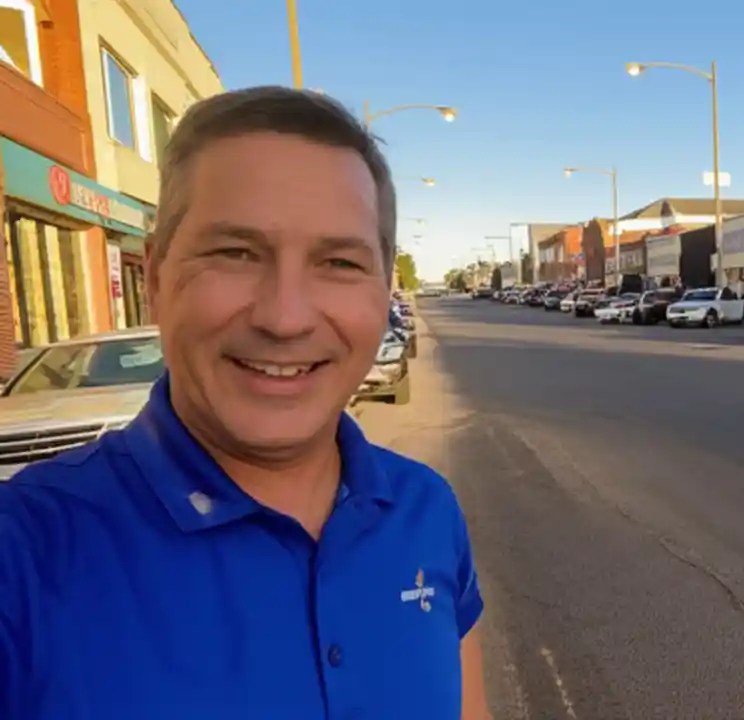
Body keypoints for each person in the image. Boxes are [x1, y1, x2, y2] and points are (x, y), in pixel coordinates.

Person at [0, 87, 489, 719]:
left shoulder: (426, 512)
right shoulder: (24, 552)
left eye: (339, 262)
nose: (285, 318)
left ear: (383, 291)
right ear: (154, 278)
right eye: (235, 253)